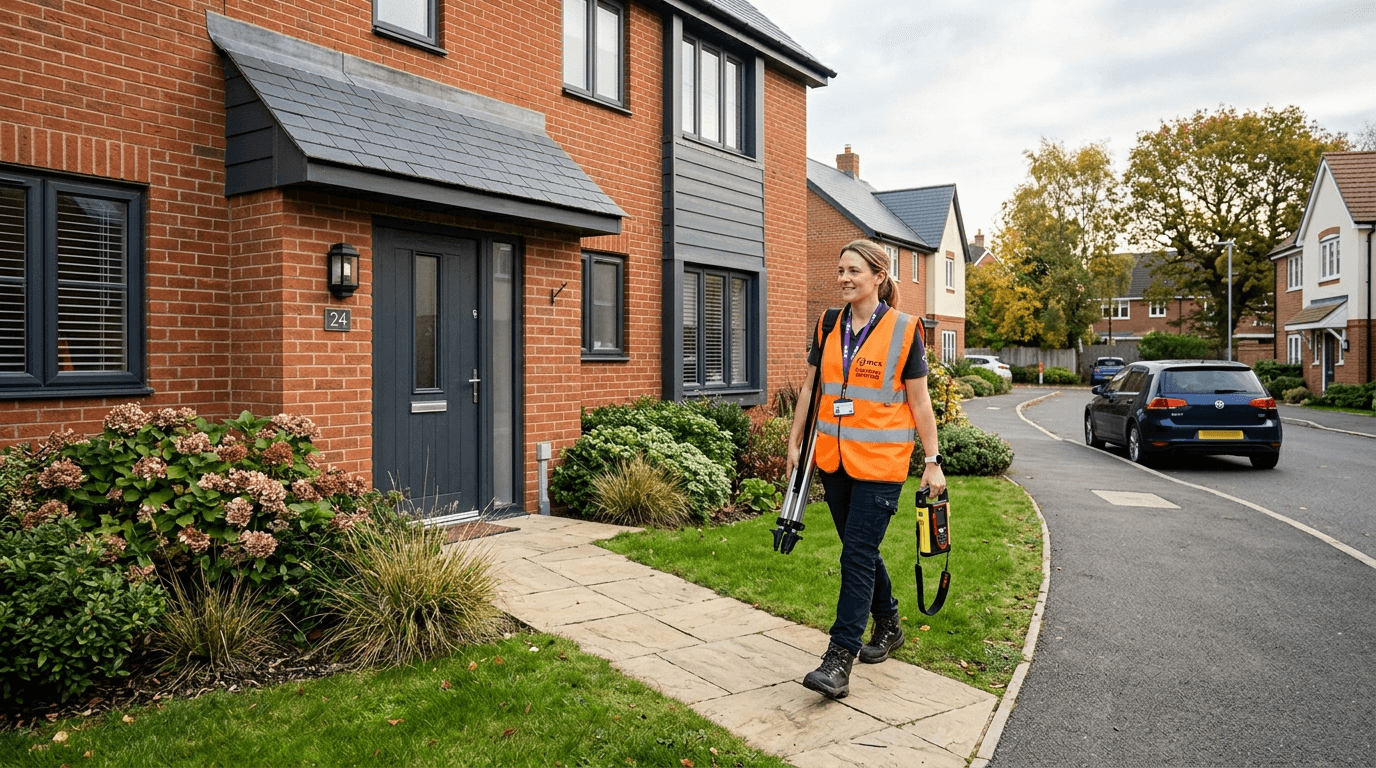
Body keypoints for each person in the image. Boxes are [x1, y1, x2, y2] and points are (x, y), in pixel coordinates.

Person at [785, 238, 946, 700]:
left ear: (879, 275)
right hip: (834, 460)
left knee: (855, 554)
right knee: (862, 549)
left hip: (881, 464)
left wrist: (932, 462)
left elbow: (920, 402)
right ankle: (890, 621)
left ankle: (839, 658)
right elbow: (811, 388)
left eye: (854, 270)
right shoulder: (829, 324)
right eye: (840, 270)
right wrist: (796, 440)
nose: (843, 278)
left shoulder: (904, 328)